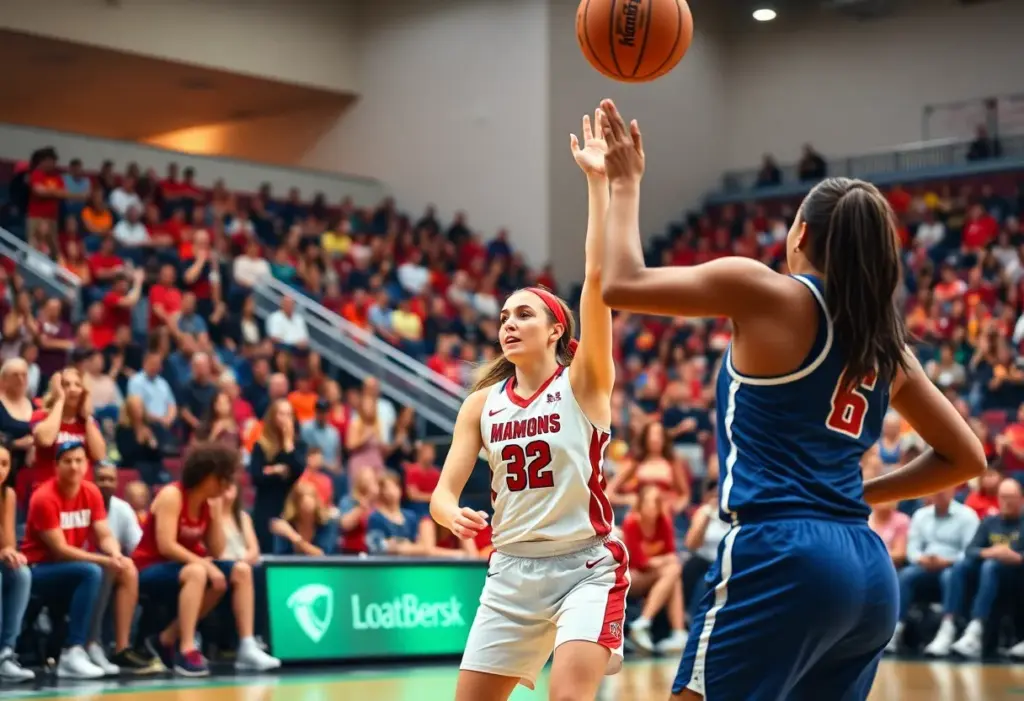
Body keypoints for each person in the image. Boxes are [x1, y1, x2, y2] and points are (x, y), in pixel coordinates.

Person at [596, 98, 986, 701]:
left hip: (779, 554)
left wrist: (624, 183)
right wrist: (861, 493)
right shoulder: (887, 344)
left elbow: (620, 284)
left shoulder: (764, 291)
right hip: (867, 570)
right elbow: (966, 458)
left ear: (800, 232)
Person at [431, 110, 622, 701]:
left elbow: (596, 279)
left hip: (585, 566)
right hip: (509, 571)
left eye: (524, 314)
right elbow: (443, 492)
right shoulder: (481, 403)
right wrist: (448, 514)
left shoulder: (584, 383)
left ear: (556, 331)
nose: (509, 324)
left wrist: (597, 183)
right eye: (504, 316)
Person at [133, 442, 280, 676]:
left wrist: (217, 514)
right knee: (200, 572)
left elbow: (218, 550)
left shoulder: (208, 504)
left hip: (185, 565)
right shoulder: (172, 495)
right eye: (225, 478)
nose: (228, 485)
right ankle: (186, 648)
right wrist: (204, 564)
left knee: (240, 570)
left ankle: (246, 645)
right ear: (210, 476)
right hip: (152, 566)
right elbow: (166, 545)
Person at [21, 442, 144, 678]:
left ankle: (99, 645)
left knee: (123, 567)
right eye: (67, 461)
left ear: (86, 465)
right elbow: (59, 550)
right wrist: (103, 559)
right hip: (39, 568)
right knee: (93, 571)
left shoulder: (91, 492)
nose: (74, 466)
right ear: (57, 466)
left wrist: (115, 554)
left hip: (72, 567)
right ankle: (71, 652)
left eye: (79, 461)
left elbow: (104, 534)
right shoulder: (44, 497)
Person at [923, 478, 1024, 658]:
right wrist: (991, 552)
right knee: (962, 566)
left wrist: (1017, 557)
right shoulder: (989, 522)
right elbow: (970, 550)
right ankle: (951, 627)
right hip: (991, 575)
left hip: (1018, 576)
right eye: (1002, 497)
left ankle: (976, 630)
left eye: (1011, 497)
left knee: (990, 566)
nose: (1006, 501)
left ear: (1021, 499)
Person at [620, 485, 688, 654]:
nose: (653, 507)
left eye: (656, 502)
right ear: (640, 503)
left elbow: (672, 554)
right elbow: (638, 562)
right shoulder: (631, 522)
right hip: (632, 577)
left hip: (655, 577)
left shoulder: (663, 522)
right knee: (672, 571)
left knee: (674, 575)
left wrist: (657, 562)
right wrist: (661, 560)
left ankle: (653, 625)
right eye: (650, 502)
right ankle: (664, 627)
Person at [0, 445, 33, 681]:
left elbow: (8, 543)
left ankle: (6, 653)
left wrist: (10, 553)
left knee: (21, 573)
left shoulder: (7, 495)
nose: (0, 470)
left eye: (4, 464)